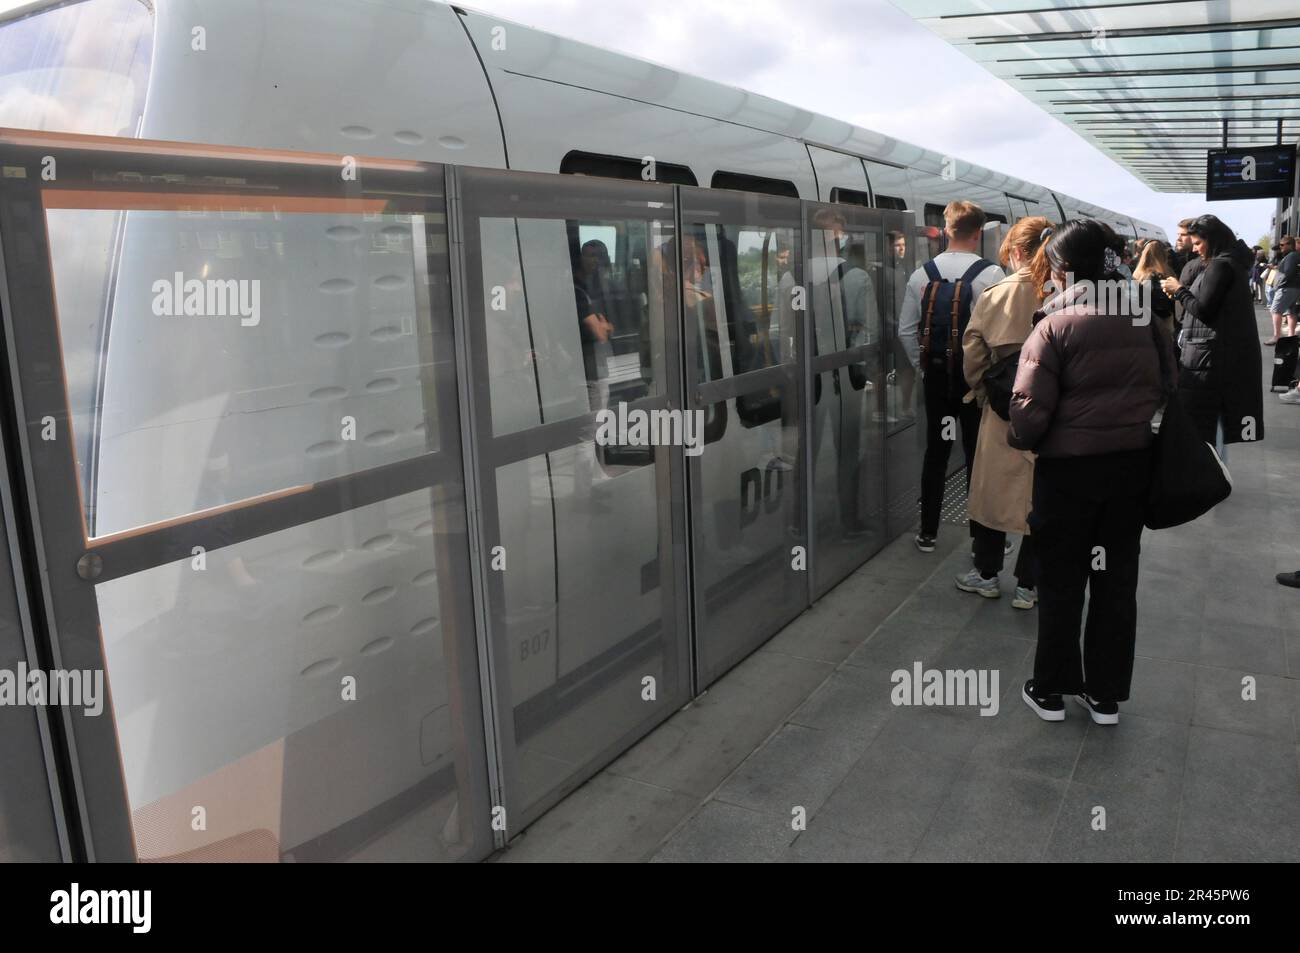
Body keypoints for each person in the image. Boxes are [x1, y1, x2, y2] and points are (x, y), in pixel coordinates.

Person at [1009, 220, 1169, 726]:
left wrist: (1022, 438)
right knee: (1115, 581)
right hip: (1130, 470)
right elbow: (1170, 383)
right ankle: (1104, 696)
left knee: (1060, 580)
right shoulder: (1144, 318)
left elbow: (1030, 411)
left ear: (1061, 267)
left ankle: (1051, 690)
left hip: (1067, 475)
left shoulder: (1054, 325)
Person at [898, 200, 1005, 552]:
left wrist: (924, 367)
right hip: (976, 385)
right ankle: (983, 538)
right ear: (978, 233)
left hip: (937, 381)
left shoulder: (921, 274)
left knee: (936, 453)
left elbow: (906, 330)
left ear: (946, 231)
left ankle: (928, 532)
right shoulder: (992, 275)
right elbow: (999, 335)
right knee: (979, 456)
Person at [957, 216, 1052, 607]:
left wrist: (982, 390)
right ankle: (1029, 585)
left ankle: (986, 573)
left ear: (1015, 252)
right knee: (1037, 495)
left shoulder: (997, 293)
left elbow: (973, 350)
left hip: (1002, 407)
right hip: (1048, 407)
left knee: (992, 490)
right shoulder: (1057, 291)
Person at [1161, 215, 1264, 455]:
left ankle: (1209, 477)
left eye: (1198, 243)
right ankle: (1215, 474)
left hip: (1211, 358)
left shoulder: (1220, 265)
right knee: (1215, 423)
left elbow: (1204, 310)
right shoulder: (1233, 263)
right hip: (1220, 353)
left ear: (1212, 239)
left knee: (1203, 424)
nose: (1195, 249)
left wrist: (1179, 291)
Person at [1132, 240, 1177, 338]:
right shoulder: (1168, 274)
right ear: (1164, 255)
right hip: (1164, 322)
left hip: (1141, 323)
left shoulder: (1137, 275)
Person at [1266, 235, 1298, 345]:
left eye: (1282, 245)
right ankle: (1291, 335)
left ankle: (1277, 336)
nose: (1281, 247)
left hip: (1286, 288)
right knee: (1290, 312)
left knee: (1275, 311)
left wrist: (1279, 284)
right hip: (1292, 288)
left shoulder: (1291, 256)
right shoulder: (1293, 256)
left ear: (1290, 245)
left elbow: (1288, 272)